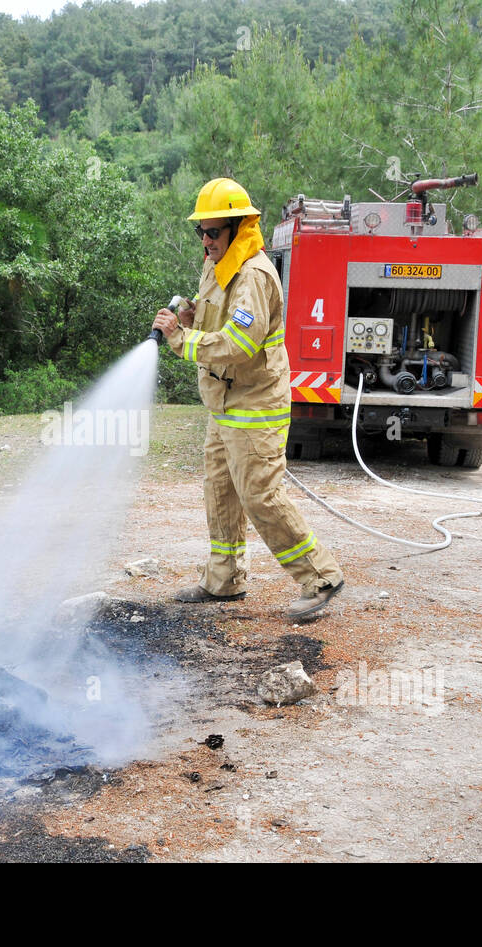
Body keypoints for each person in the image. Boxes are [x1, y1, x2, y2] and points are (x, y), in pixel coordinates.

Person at [151, 177, 346, 622]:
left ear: (239, 228)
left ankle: (320, 576)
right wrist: (191, 316)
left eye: (213, 231)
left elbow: (240, 344)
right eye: (200, 230)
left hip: (255, 402)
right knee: (220, 489)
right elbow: (215, 315)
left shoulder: (254, 274)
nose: (205, 239)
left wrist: (182, 339)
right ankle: (225, 579)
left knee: (260, 493)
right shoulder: (216, 262)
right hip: (223, 399)